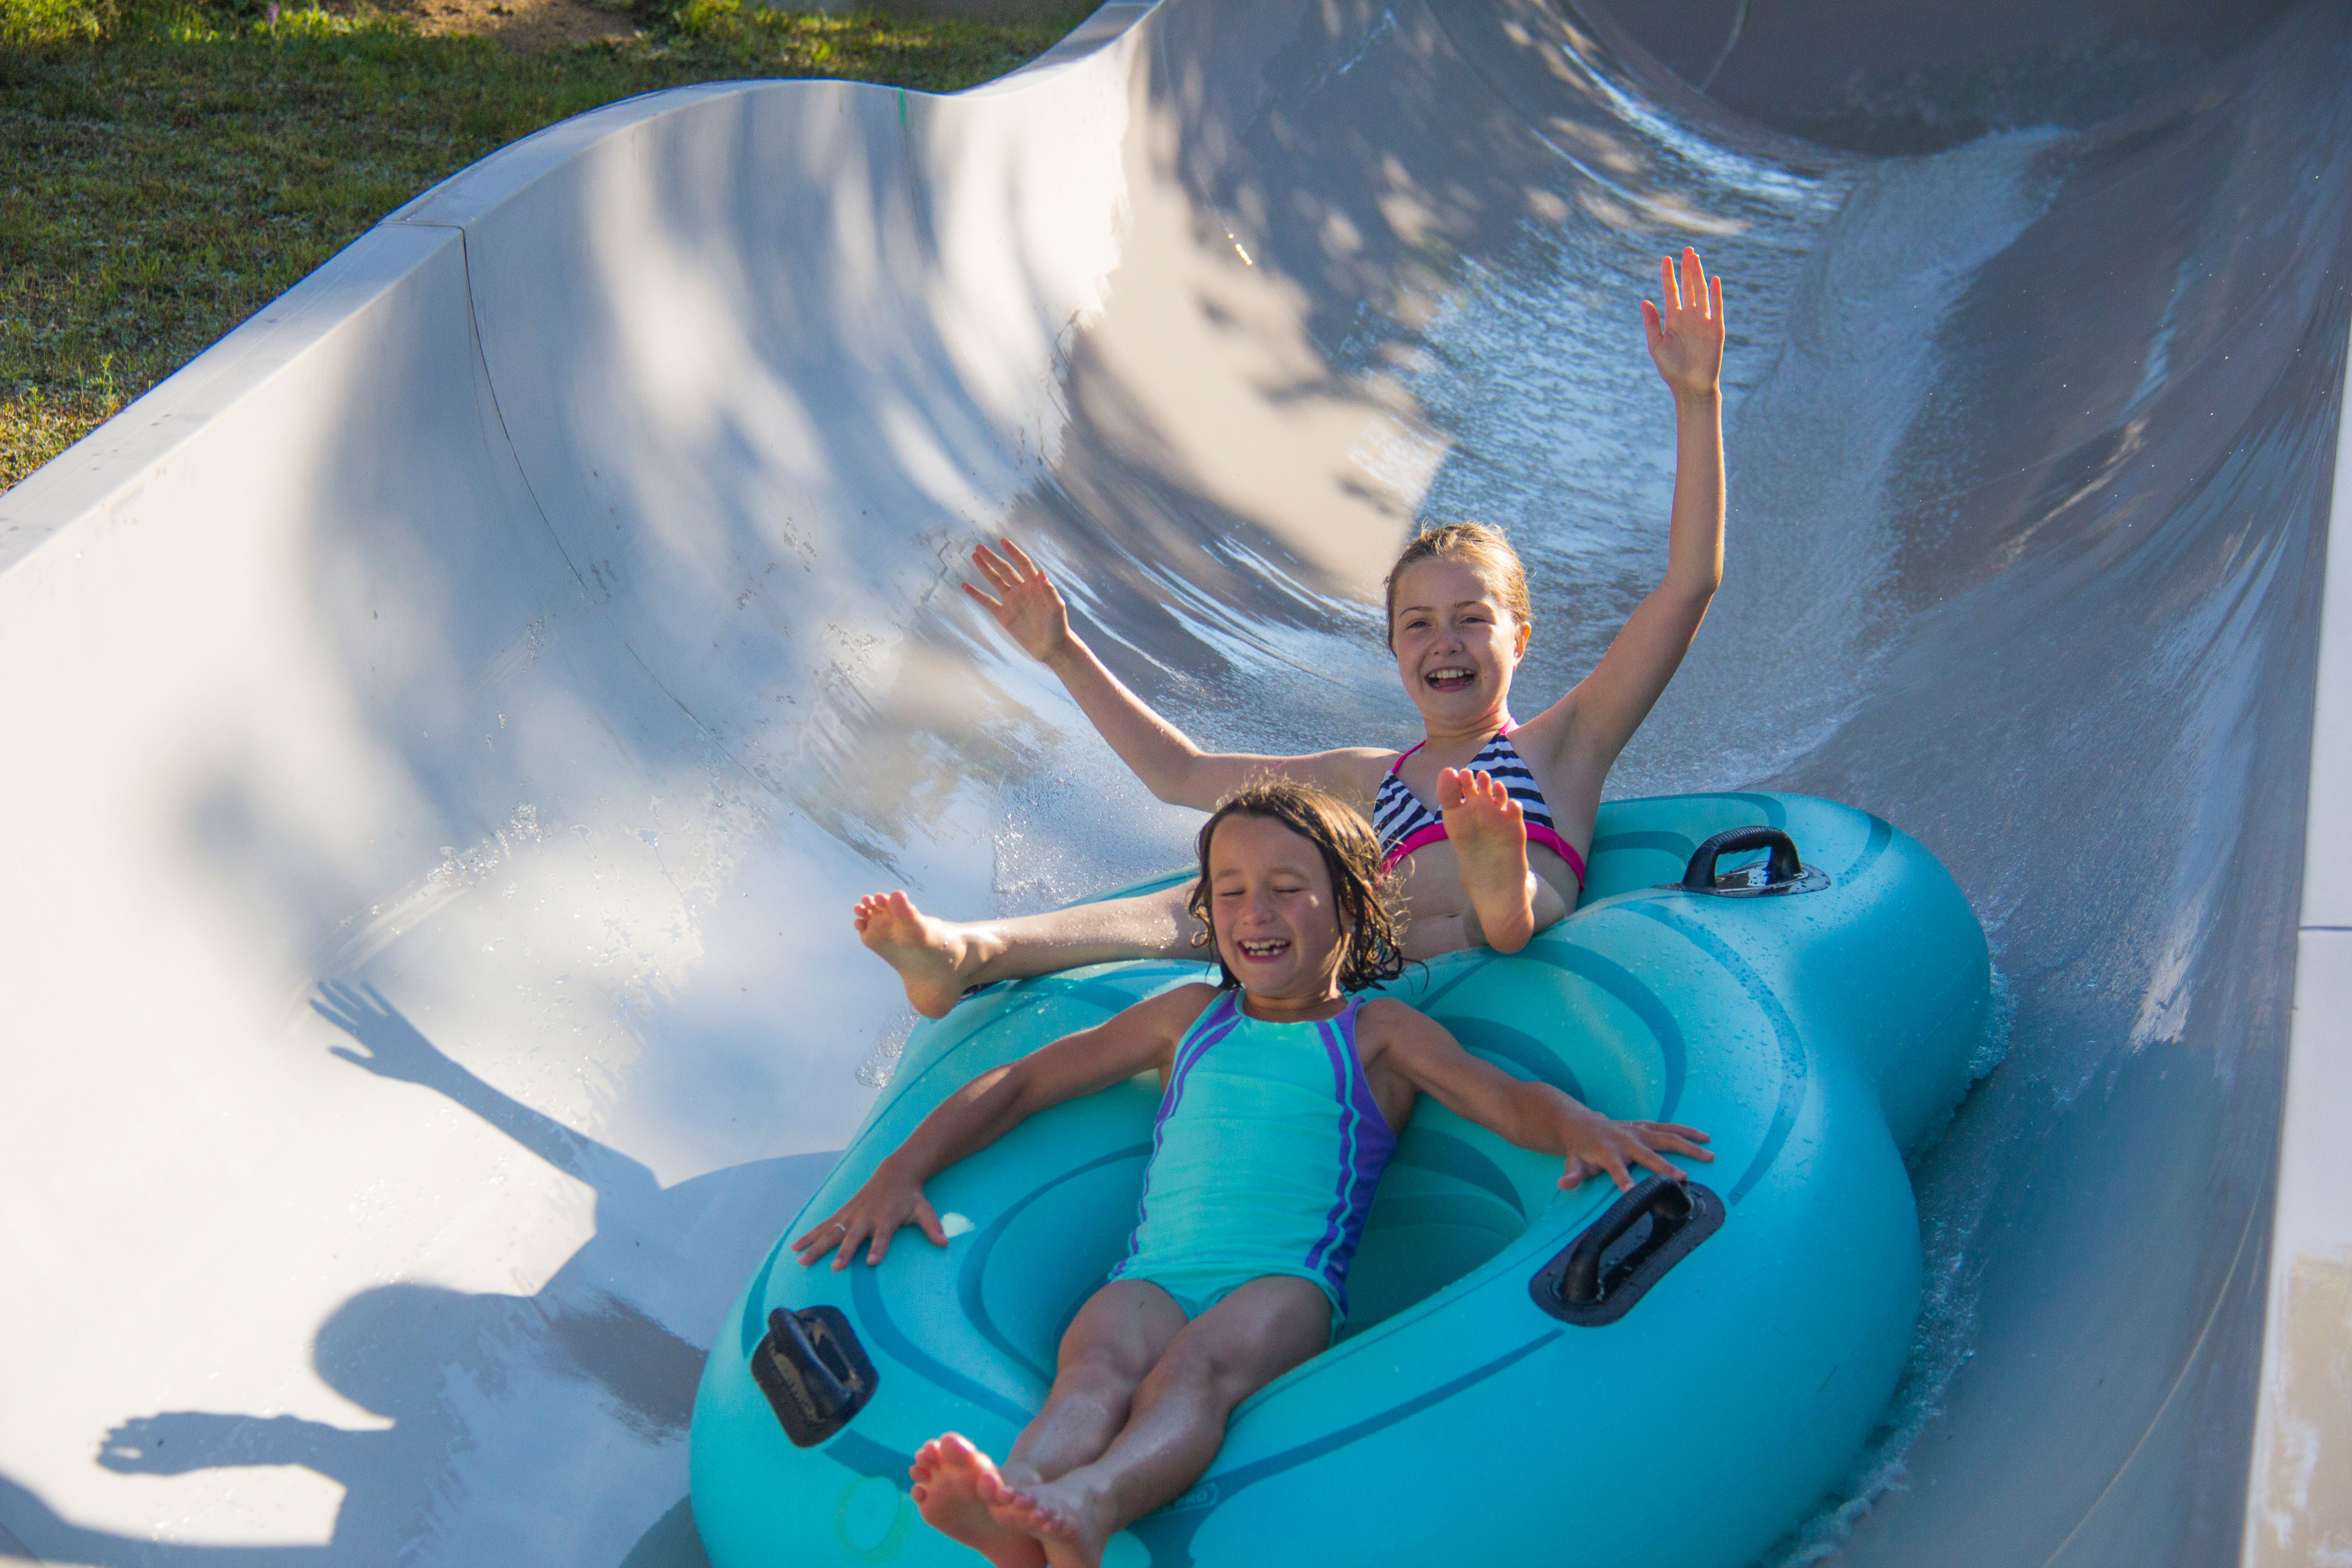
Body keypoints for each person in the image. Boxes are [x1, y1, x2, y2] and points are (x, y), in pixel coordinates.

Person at [797, 782, 1713, 1568]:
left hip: (1285, 1281)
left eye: (1286, 890)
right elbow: (1024, 1083)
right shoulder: (1188, 1019)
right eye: (1230, 891)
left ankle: (1093, 1502)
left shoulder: (1376, 1035)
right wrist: (902, 1171)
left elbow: (1506, 1100)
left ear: (1350, 907)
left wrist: (1583, 1127)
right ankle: (1020, 1499)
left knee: (1193, 1374)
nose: (1254, 914)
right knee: (1096, 1367)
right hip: (1154, 1272)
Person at [854, 248, 1728, 1019]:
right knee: (1222, 897)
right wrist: (1063, 651)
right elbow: (1179, 774)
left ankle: (1500, 888)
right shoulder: (1365, 780)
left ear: (1520, 640)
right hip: (1384, 972)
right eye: (1418, 625)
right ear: (1395, 651)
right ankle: (969, 951)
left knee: (1503, 903)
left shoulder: (1564, 745)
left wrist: (1697, 398)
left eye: (1473, 620)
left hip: (1504, 929)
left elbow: (1688, 584)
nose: (1446, 642)